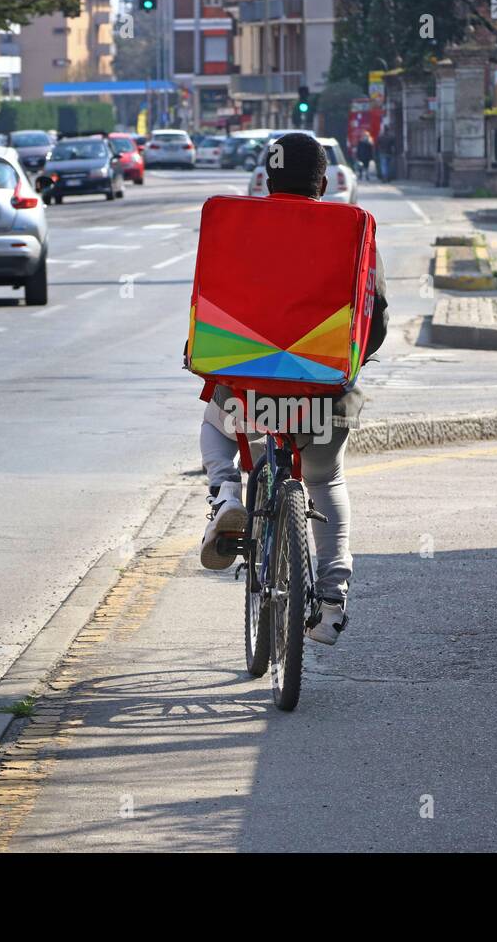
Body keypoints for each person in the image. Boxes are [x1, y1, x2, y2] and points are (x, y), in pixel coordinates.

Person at [198, 132, 389, 645]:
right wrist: (346, 364)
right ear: (323, 183)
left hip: (249, 398)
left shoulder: (236, 222)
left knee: (216, 426)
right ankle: (330, 601)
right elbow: (378, 320)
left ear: (267, 178)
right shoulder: (353, 229)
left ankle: (226, 496)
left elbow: (214, 302)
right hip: (325, 399)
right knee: (326, 483)